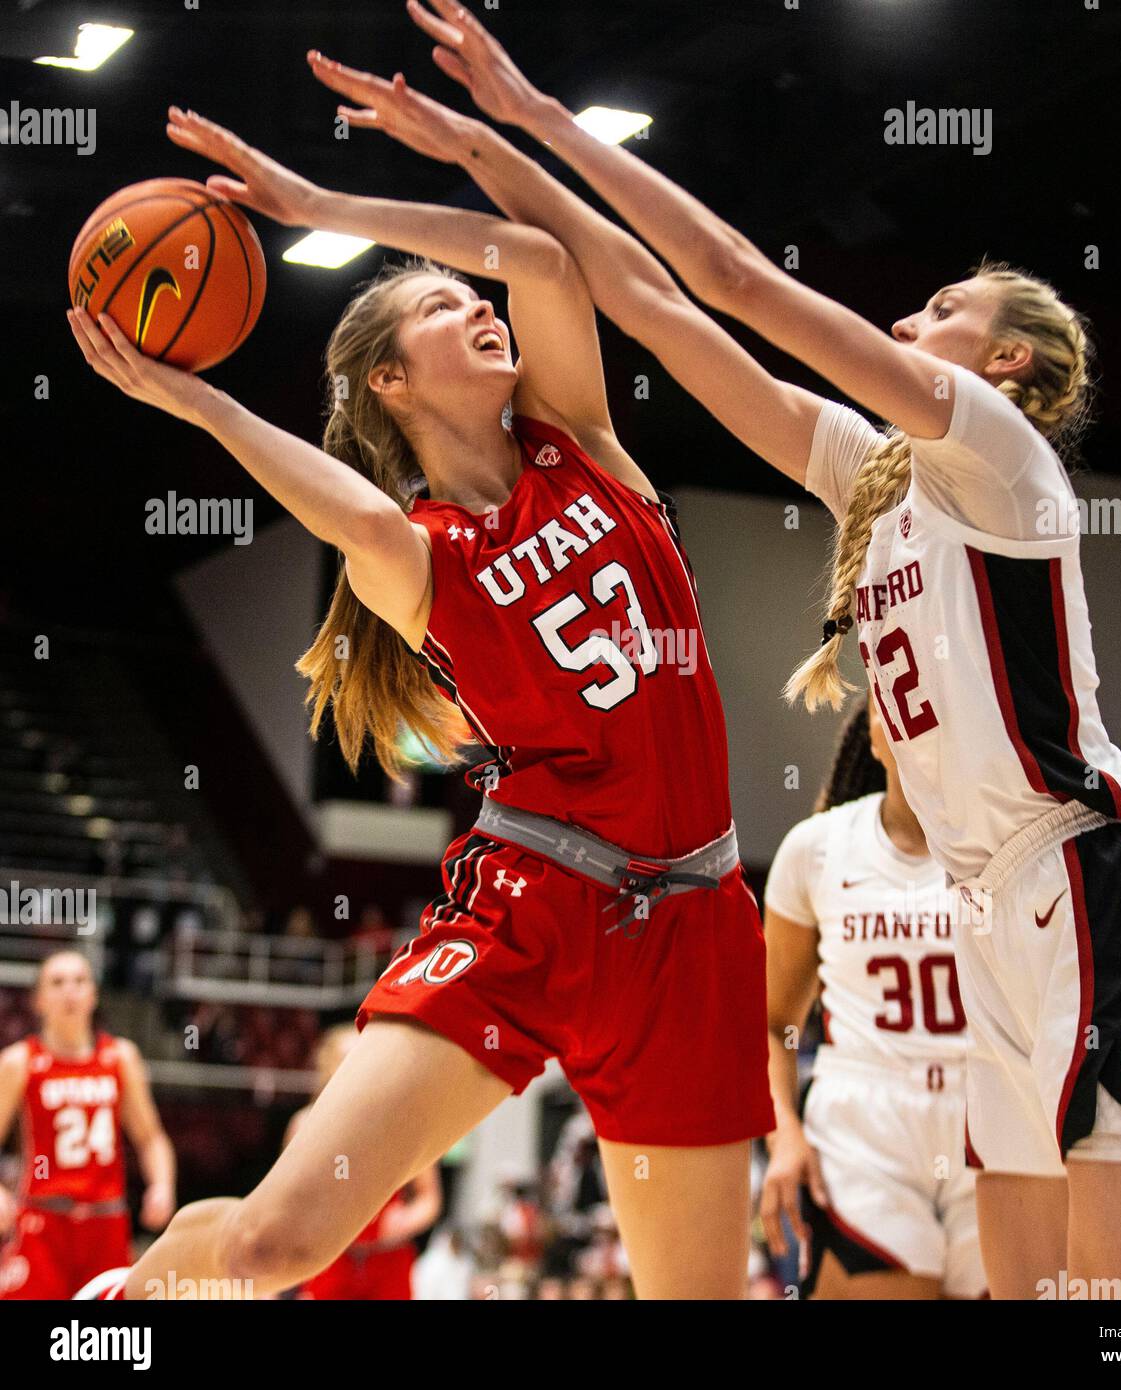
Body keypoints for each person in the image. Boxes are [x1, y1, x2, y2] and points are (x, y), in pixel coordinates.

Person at [335, 0, 1121, 1298]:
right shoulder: (874, 477)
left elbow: (735, 279)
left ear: (1006, 360)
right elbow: (654, 303)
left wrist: (531, 116)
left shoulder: (996, 452)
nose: (909, 322)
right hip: (985, 922)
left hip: (1091, 885)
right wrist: (500, 148)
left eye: (940, 307)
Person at [67, 89, 794, 1296]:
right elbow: (351, 514)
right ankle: (130, 1301)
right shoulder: (418, 553)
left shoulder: (583, 444)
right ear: (391, 383)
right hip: (536, 907)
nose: (480, 306)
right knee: (273, 1248)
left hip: (695, 925)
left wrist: (322, 204)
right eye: (444, 310)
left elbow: (542, 260)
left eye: (470, 297)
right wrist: (190, 396)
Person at [760, 702, 984, 1300]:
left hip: (992, 1110)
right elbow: (772, 1023)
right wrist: (783, 1133)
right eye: (895, 700)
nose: (917, 714)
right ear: (871, 735)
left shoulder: (1012, 839)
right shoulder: (815, 849)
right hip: (864, 1126)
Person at [0, 950, 175, 1299]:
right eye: (58, 982)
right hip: (43, 1219)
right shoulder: (20, 1061)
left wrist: (162, 1184)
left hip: (106, 1222)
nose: (70, 991)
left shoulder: (120, 1057)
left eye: (80, 981)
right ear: (38, 1000)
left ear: (94, 995)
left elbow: (150, 1137)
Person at [286, 1025, 440, 1300]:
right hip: (330, 1258)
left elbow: (429, 1198)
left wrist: (405, 1220)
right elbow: (288, 1200)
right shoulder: (305, 1124)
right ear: (329, 1068)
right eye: (349, 1060)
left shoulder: (405, 1123)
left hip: (387, 1257)